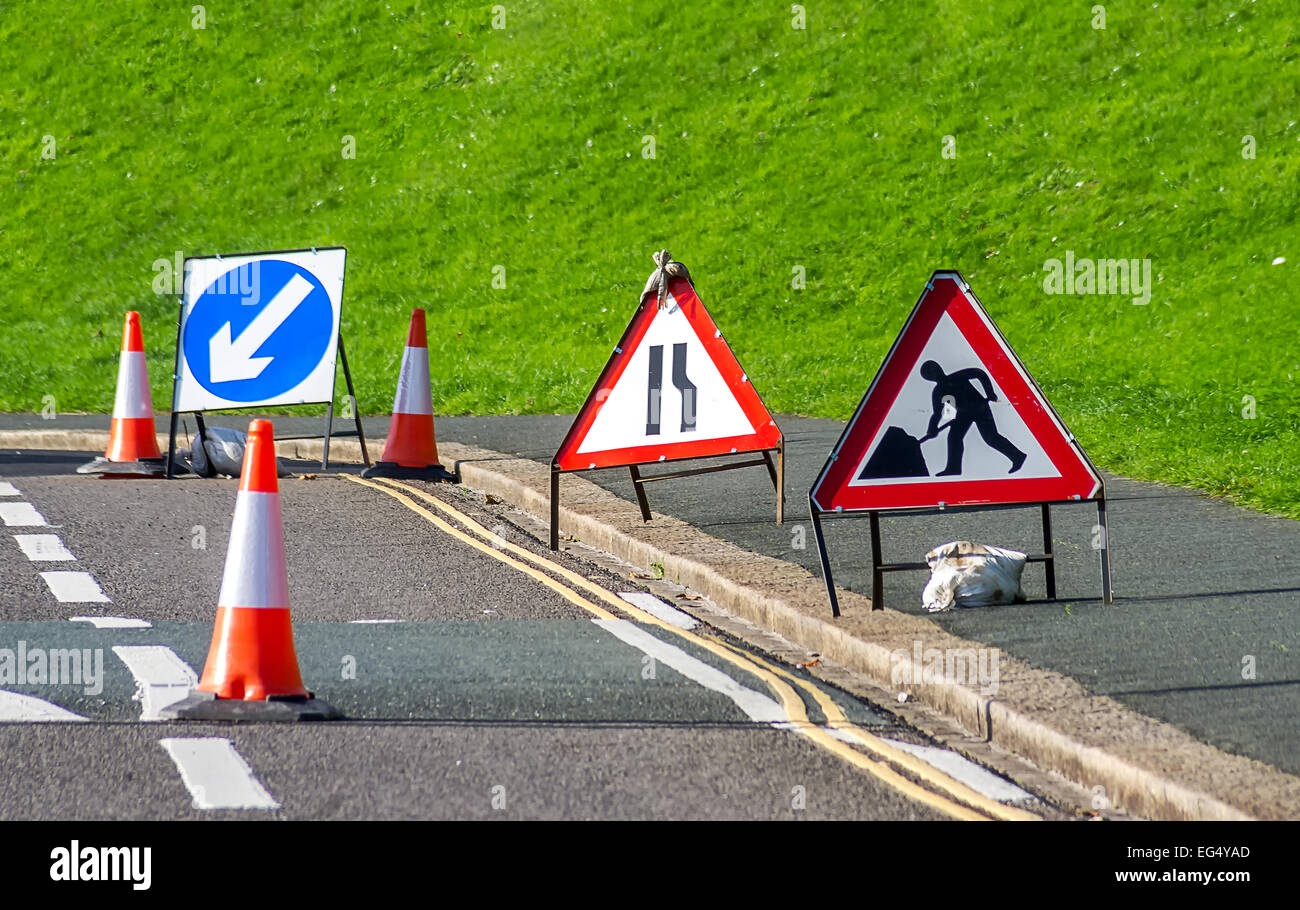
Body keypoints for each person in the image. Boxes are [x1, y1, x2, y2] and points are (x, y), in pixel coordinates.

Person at [918, 360, 1026, 476]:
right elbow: (937, 413)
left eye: (934, 369)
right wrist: (932, 428)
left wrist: (990, 392)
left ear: (940, 368)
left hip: (979, 407)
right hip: (963, 414)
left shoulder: (957, 377)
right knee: (954, 437)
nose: (935, 373)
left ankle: (1017, 456)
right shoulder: (939, 392)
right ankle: (953, 468)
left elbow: (979, 373)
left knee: (990, 437)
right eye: (930, 373)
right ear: (929, 378)